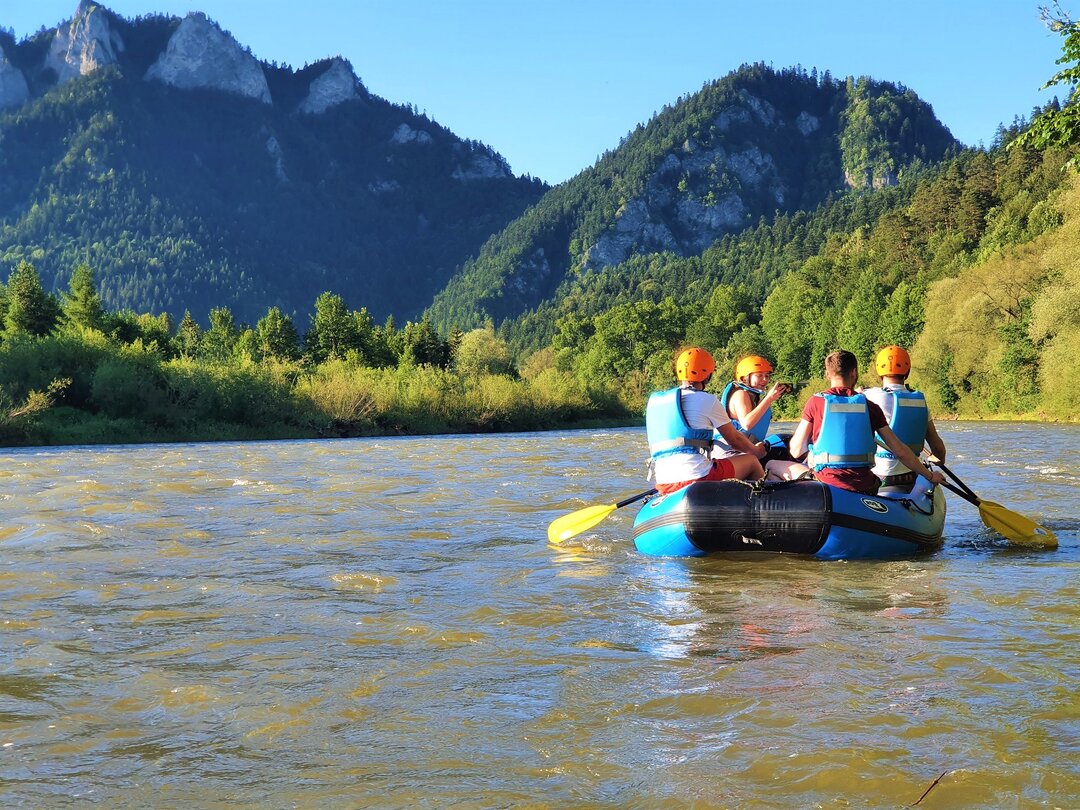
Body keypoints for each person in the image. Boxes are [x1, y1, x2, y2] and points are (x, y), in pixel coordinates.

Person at [788, 350, 944, 496]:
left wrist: (813, 454)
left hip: (828, 483)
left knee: (773, 466)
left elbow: (795, 450)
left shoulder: (815, 402)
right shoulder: (870, 406)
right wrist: (929, 475)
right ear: (854, 372)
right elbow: (901, 451)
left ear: (827, 374)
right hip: (867, 485)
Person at [646, 347, 768, 496]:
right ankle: (768, 504)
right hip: (697, 475)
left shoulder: (656, 403)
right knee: (752, 461)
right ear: (707, 375)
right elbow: (735, 440)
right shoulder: (707, 400)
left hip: (663, 481)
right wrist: (757, 451)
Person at [862, 345, 948, 491]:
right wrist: (938, 460)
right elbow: (938, 448)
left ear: (879, 372)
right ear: (907, 372)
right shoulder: (920, 402)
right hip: (910, 477)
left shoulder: (867, 396)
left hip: (878, 478)